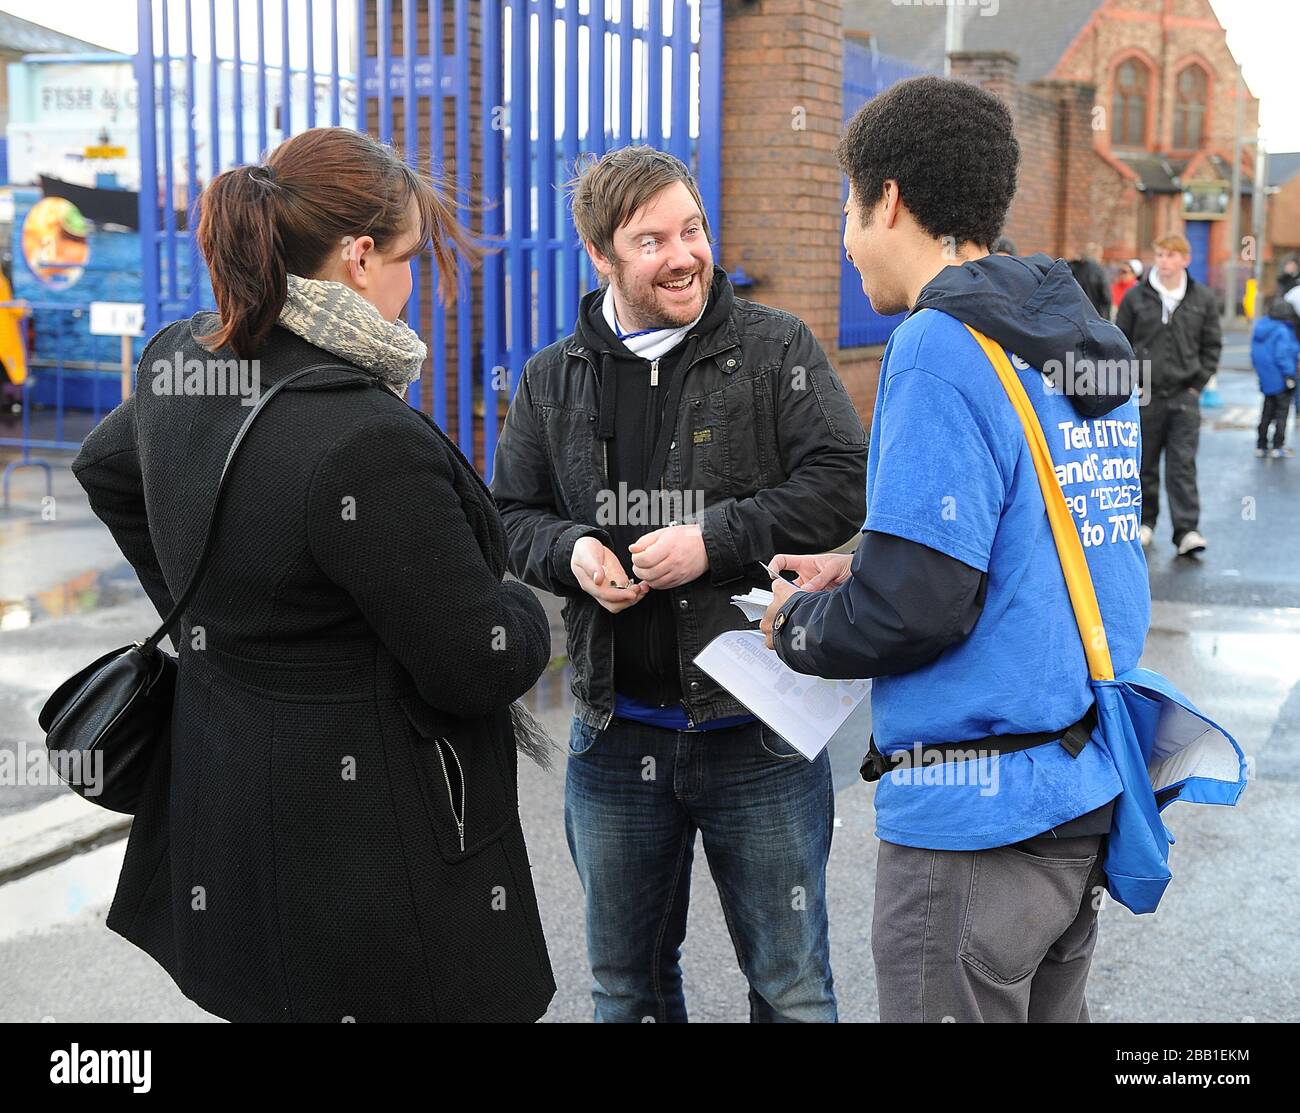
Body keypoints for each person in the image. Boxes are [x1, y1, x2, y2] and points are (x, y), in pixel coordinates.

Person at [72, 127, 556, 1022]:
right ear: (361, 258)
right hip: (366, 860)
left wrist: (204, 618)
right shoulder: (367, 441)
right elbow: (477, 660)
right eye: (410, 256)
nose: (418, 286)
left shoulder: (187, 356)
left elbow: (106, 468)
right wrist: (525, 605)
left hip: (228, 802)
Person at [759, 75, 1148, 1023]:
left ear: (887, 198)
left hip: (976, 824)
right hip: (1079, 791)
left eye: (849, 211)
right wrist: (866, 558)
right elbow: (1041, 540)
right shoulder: (1076, 340)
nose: (847, 244)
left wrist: (794, 628)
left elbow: (917, 608)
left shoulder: (938, 341)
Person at [491, 145, 868, 1023]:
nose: (684, 254)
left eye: (691, 228)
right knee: (625, 991)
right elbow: (512, 514)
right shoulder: (552, 379)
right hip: (616, 736)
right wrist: (572, 550)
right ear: (602, 256)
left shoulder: (777, 349)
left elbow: (843, 480)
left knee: (793, 989)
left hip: (763, 734)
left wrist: (716, 538)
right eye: (651, 240)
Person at [1116, 233, 1221, 556]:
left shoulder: (1202, 299)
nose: (1163, 261)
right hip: (1146, 395)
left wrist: (1196, 385)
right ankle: (1144, 522)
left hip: (1184, 395)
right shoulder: (1137, 298)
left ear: (1185, 260)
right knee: (1143, 463)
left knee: (1182, 465)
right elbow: (1119, 342)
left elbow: (1211, 346)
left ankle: (1187, 530)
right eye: (1159, 255)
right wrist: (1132, 382)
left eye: (1170, 256)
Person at [1250, 296, 1300, 458]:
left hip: (1267, 379)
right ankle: (1278, 445)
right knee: (1281, 414)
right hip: (1282, 379)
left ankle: (1261, 445)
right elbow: (1283, 355)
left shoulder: (1262, 327)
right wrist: (1289, 375)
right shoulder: (1283, 330)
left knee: (1266, 412)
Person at [1068, 246, 1111, 318]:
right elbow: (1106, 298)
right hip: (1095, 315)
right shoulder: (1099, 271)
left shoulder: (1073, 269)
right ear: (1098, 255)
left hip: (1074, 315)